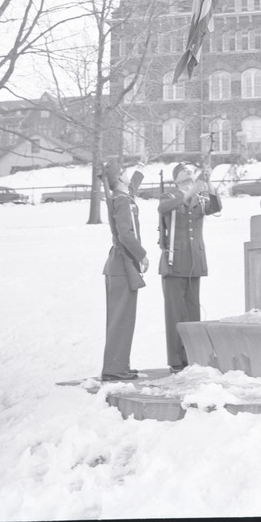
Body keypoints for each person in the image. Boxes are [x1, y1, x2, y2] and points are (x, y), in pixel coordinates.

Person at [158, 162, 222, 372]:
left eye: (189, 170)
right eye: (183, 171)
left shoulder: (199, 197)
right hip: (175, 261)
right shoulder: (170, 196)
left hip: (194, 261)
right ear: (176, 179)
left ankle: (192, 356)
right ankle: (176, 360)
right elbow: (164, 208)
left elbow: (216, 207)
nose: (188, 172)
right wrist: (190, 192)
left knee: (192, 312)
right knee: (175, 314)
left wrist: (208, 183)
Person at [101, 160, 149, 381]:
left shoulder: (122, 197)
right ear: (120, 178)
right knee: (120, 319)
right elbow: (126, 235)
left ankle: (119, 364)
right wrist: (142, 255)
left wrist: (141, 166)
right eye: (125, 172)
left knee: (123, 319)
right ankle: (114, 369)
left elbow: (132, 188)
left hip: (121, 265)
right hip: (122, 265)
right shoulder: (121, 201)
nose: (128, 174)